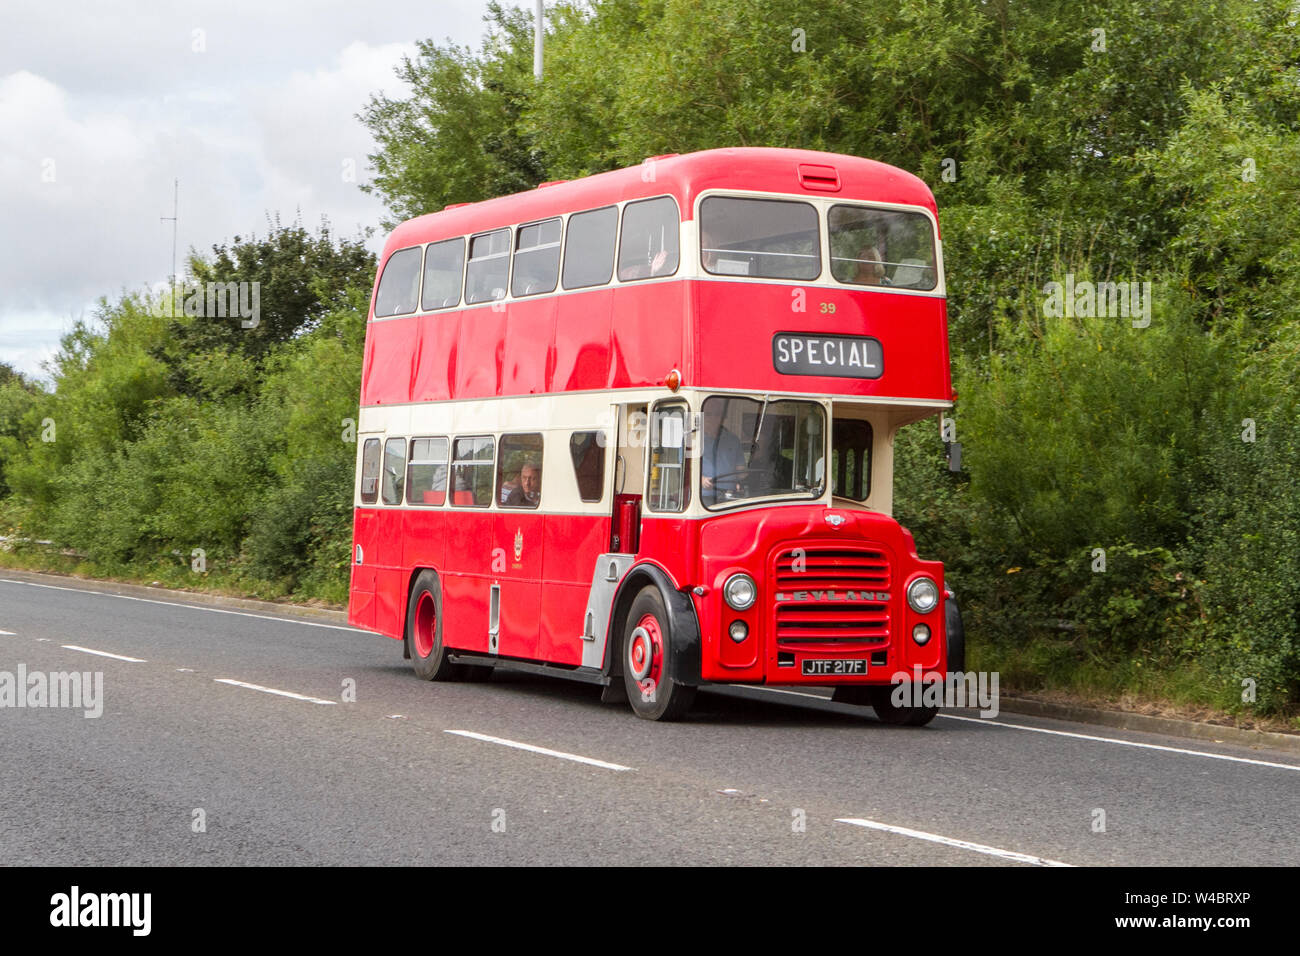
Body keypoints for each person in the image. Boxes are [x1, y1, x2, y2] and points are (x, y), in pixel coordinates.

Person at [700, 403, 745, 504]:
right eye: (708, 414)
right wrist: (701, 479)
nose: (713, 418)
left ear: (722, 418)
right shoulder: (693, 439)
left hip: (730, 496)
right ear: (701, 416)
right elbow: (685, 470)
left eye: (717, 414)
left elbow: (741, 470)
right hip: (702, 497)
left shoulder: (733, 440)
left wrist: (741, 480)